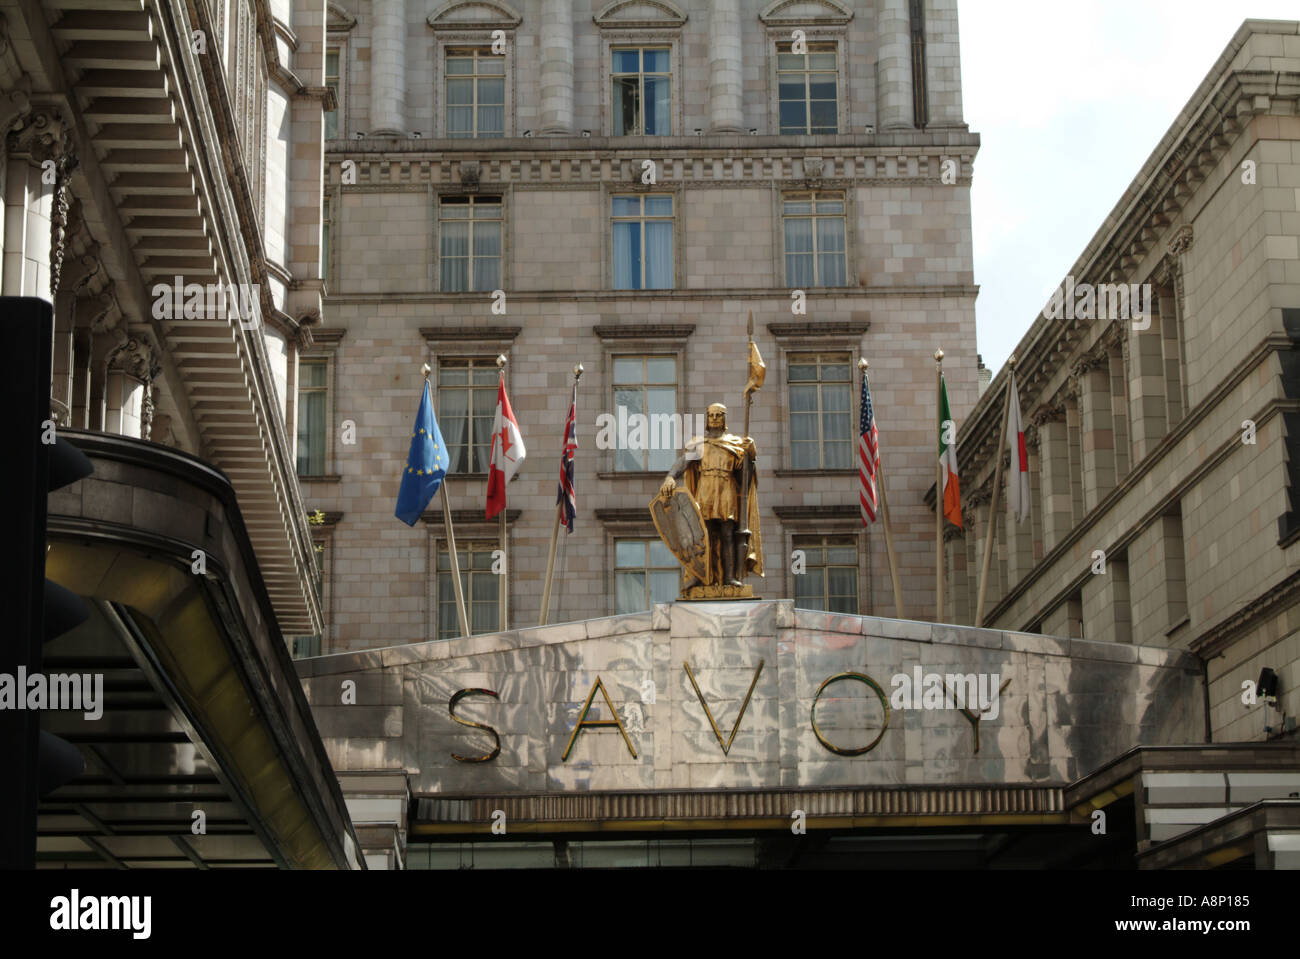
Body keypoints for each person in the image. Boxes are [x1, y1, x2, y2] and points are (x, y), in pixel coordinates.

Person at [657, 402, 763, 588]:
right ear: (707, 419)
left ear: (725, 419)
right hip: (705, 489)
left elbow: (743, 479)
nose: (715, 418)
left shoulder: (736, 444)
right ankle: (701, 574)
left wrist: (750, 456)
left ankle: (730, 577)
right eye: (711, 415)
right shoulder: (700, 444)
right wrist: (670, 477)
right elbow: (683, 463)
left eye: (719, 415)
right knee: (703, 535)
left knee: (727, 534)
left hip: (726, 489)